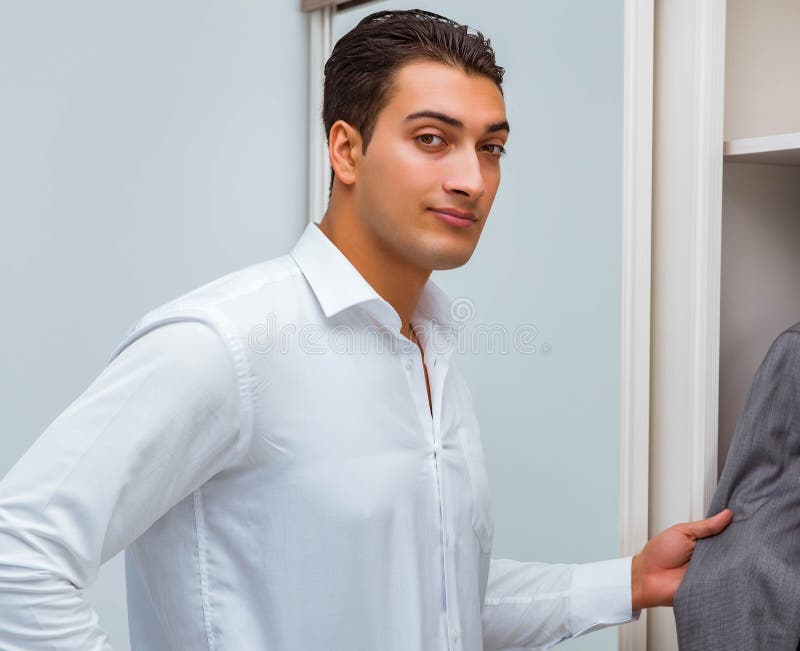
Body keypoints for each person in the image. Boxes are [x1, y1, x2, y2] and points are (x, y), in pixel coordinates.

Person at [0, 9, 731, 650]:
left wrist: (631, 580)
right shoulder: (224, 343)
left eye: (491, 147)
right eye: (432, 138)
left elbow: (436, 604)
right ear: (346, 150)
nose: (472, 179)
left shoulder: (432, 351)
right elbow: (19, 556)